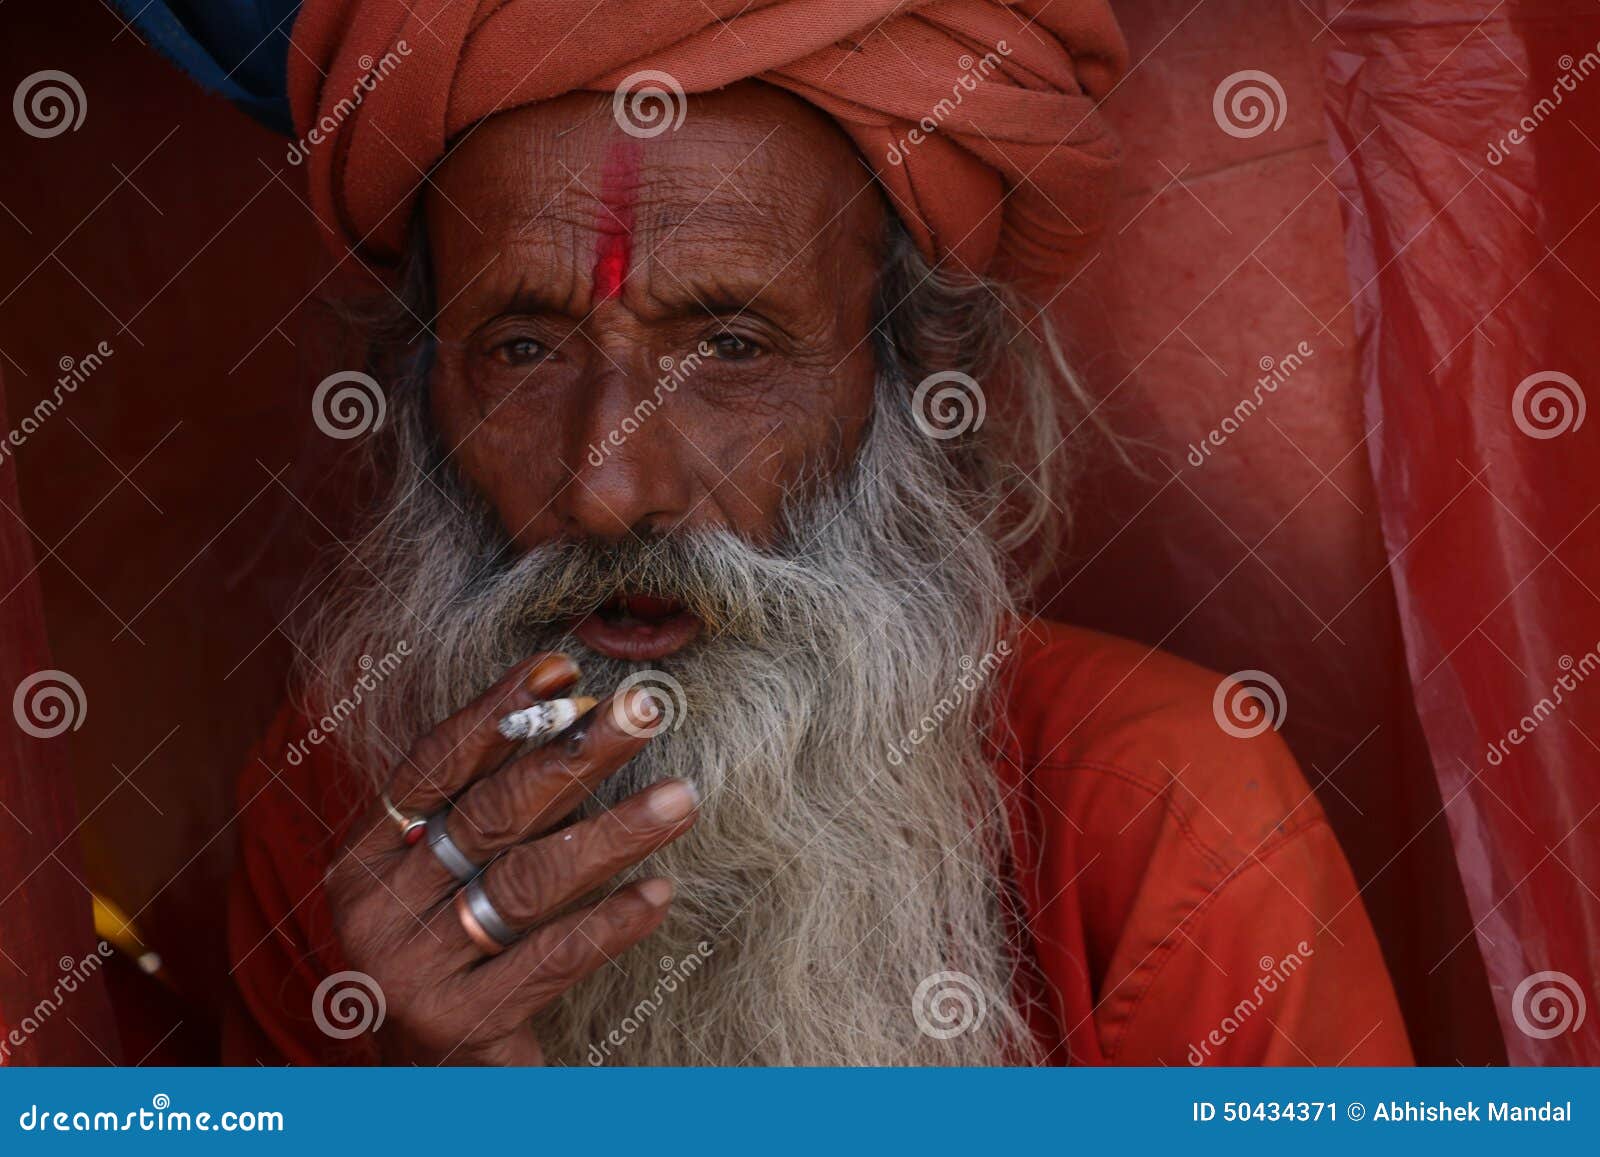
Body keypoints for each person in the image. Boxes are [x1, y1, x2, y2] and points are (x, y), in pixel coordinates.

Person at [227, 0, 1412, 1066]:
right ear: (424, 389)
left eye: (732, 349)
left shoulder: (1159, 800)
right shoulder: (352, 798)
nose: (606, 487)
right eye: (523, 349)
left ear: (917, 380)